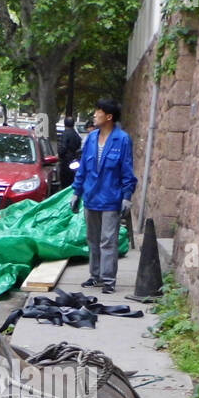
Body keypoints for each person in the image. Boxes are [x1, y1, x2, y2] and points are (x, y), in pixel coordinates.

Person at [71, 98, 136, 294]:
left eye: (98, 112)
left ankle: (108, 280)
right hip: (91, 197)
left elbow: (127, 169)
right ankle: (95, 275)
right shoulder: (91, 138)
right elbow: (83, 168)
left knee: (108, 240)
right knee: (92, 239)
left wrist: (126, 196)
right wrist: (76, 192)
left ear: (108, 117)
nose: (94, 115)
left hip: (111, 199)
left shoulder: (122, 139)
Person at [57, 115, 81, 189]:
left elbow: (62, 148)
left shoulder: (65, 134)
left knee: (64, 183)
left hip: (65, 162)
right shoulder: (76, 135)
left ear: (65, 124)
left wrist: (60, 155)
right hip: (75, 160)